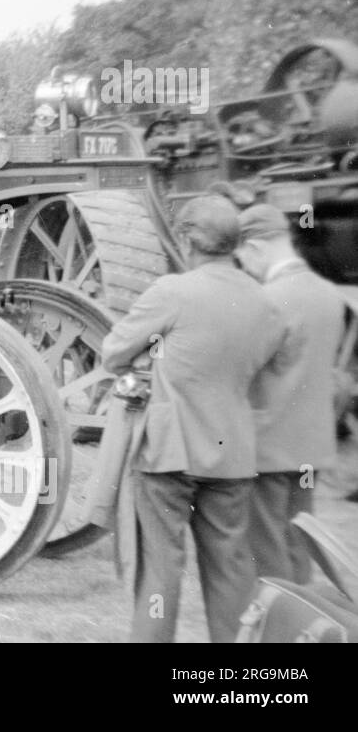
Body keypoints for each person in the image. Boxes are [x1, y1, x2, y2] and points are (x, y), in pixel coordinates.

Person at [101, 193, 285, 643]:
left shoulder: (173, 292)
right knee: (231, 572)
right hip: (232, 454)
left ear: (186, 240)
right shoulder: (266, 303)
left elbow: (113, 354)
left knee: (160, 575)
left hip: (169, 452)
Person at [236, 203, 347, 583]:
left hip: (268, 450)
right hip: (310, 448)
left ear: (255, 247)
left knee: (266, 554)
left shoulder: (267, 299)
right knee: (299, 542)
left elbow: (245, 371)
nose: (245, 268)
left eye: (243, 259)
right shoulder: (330, 294)